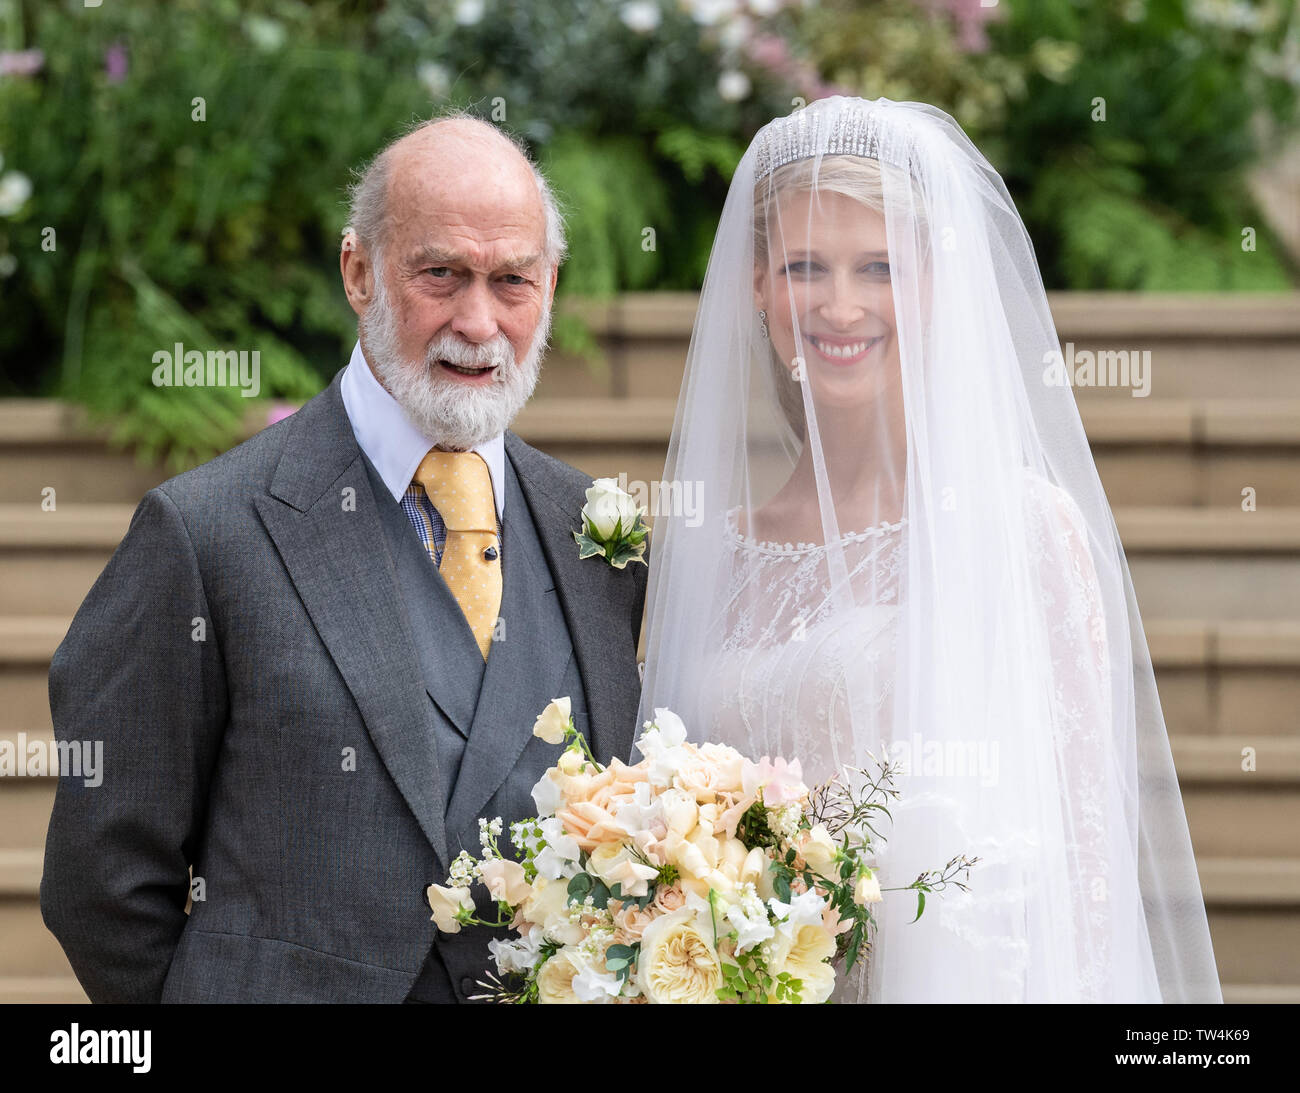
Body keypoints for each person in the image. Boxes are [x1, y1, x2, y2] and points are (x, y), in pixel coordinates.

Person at [40, 112, 647, 1003]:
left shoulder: (600, 541)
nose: (478, 321)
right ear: (359, 271)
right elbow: (102, 879)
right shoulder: (203, 532)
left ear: (549, 286)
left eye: (511, 280)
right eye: (440, 273)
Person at [636, 96, 1221, 1002]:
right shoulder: (712, 549)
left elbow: (1083, 872)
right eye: (803, 266)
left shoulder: (1018, 531)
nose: (839, 305)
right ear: (757, 283)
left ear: (939, 279)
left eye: (878, 267)